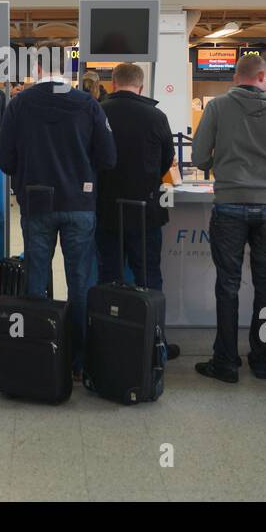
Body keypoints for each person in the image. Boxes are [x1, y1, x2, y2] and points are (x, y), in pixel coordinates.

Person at [0, 42, 116, 379]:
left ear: (36, 70)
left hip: (37, 204)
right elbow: (108, 158)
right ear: (69, 70)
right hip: (79, 203)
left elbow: (4, 160)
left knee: (36, 281)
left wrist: (26, 175)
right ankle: (78, 362)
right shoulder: (88, 104)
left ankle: (40, 356)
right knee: (80, 281)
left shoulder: (19, 105)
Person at [191, 53, 266, 383]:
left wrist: (221, 163)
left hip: (228, 204)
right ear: (264, 77)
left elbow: (197, 156)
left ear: (236, 77)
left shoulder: (217, 107)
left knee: (228, 285)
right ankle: (262, 360)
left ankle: (225, 362)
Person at [95, 63, 179, 360]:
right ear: (141, 87)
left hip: (105, 210)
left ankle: (108, 344)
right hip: (145, 212)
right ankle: (155, 345)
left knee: (109, 277)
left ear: (113, 83)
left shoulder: (98, 112)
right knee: (149, 278)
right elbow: (167, 159)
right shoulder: (156, 116)